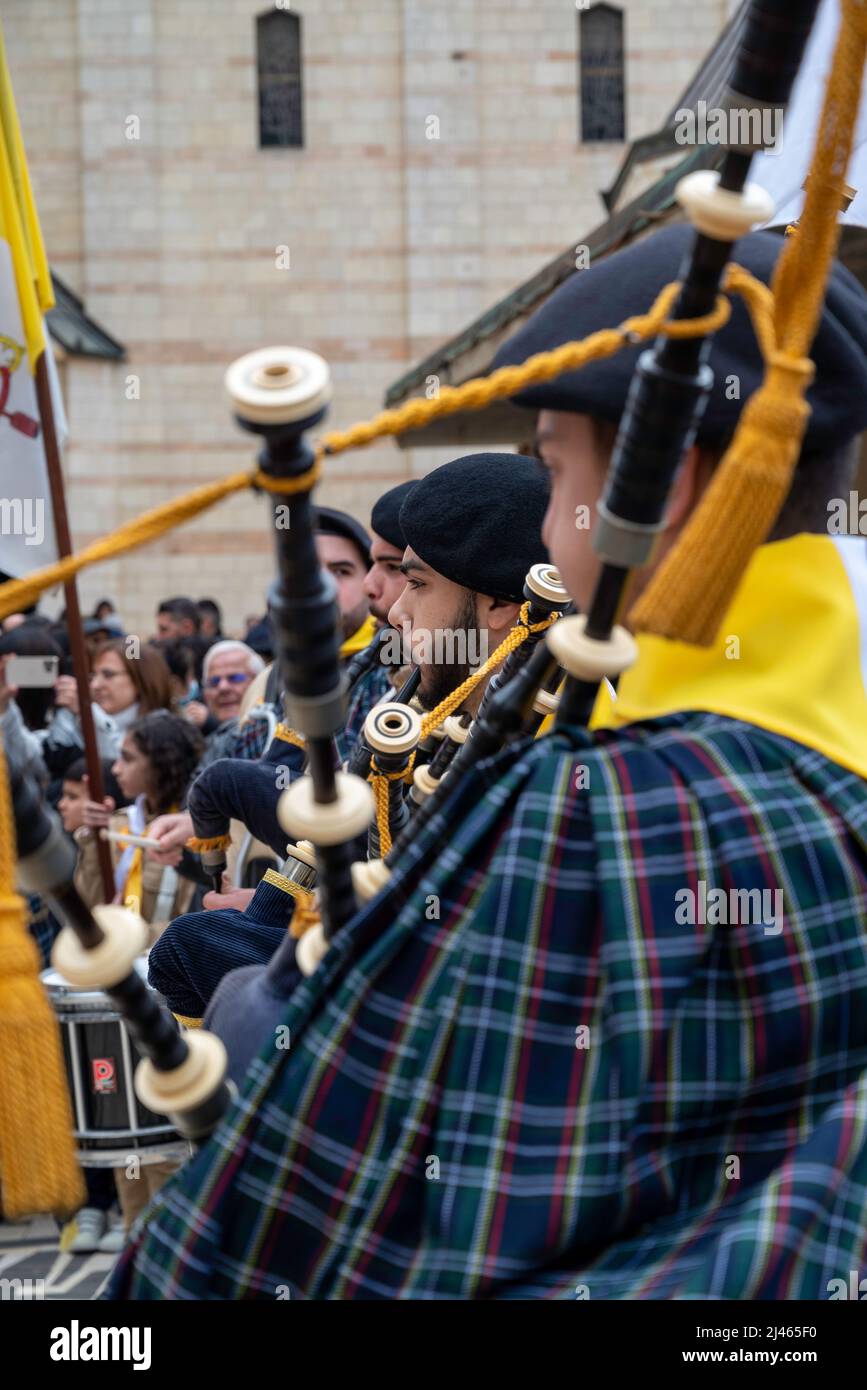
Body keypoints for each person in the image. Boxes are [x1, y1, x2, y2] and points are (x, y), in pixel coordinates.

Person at [109, 225, 867, 1302]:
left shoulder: (592, 809)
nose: (550, 535)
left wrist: (258, 1022)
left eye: (557, 471)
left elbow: (300, 1208)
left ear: (665, 484)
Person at [142, 458, 549, 1034]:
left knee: (226, 980)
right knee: (193, 947)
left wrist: (312, 928)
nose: (397, 610)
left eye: (415, 582)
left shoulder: (560, 752)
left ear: (501, 605)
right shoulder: (438, 712)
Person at [43, 637, 174, 780]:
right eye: (93, 676)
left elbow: (118, 768)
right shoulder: (81, 720)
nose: (95, 685)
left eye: (108, 675)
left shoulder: (163, 728)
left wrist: (88, 711)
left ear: (139, 680)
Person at [314, 506, 374, 656]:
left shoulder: (398, 669)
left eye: (341, 571)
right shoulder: (269, 677)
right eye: (307, 571)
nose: (323, 585)